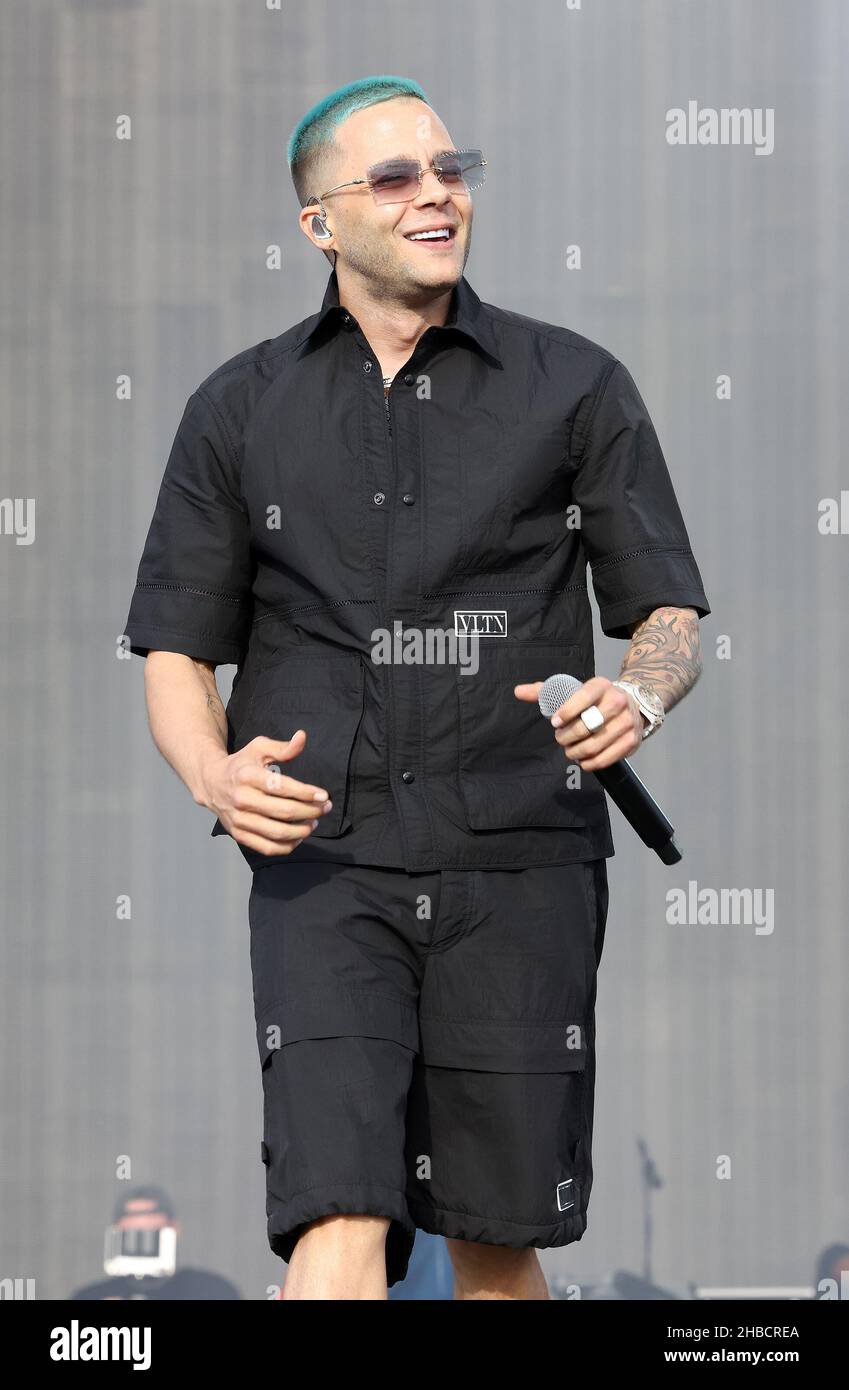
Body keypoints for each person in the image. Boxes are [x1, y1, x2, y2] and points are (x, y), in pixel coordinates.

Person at [122, 75, 711, 1300]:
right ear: (320, 224)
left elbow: (666, 613)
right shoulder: (239, 407)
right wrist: (215, 774)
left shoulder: (576, 384)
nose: (438, 194)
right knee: (339, 1212)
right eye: (395, 177)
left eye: (451, 169)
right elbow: (177, 643)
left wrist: (637, 699)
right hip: (326, 861)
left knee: (498, 1237)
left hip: (522, 856)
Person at [69, 1187, 240, 1300]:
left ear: (175, 1230)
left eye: (152, 1233)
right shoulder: (90, 1297)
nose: (142, 1243)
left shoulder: (212, 1291)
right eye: (132, 1234)